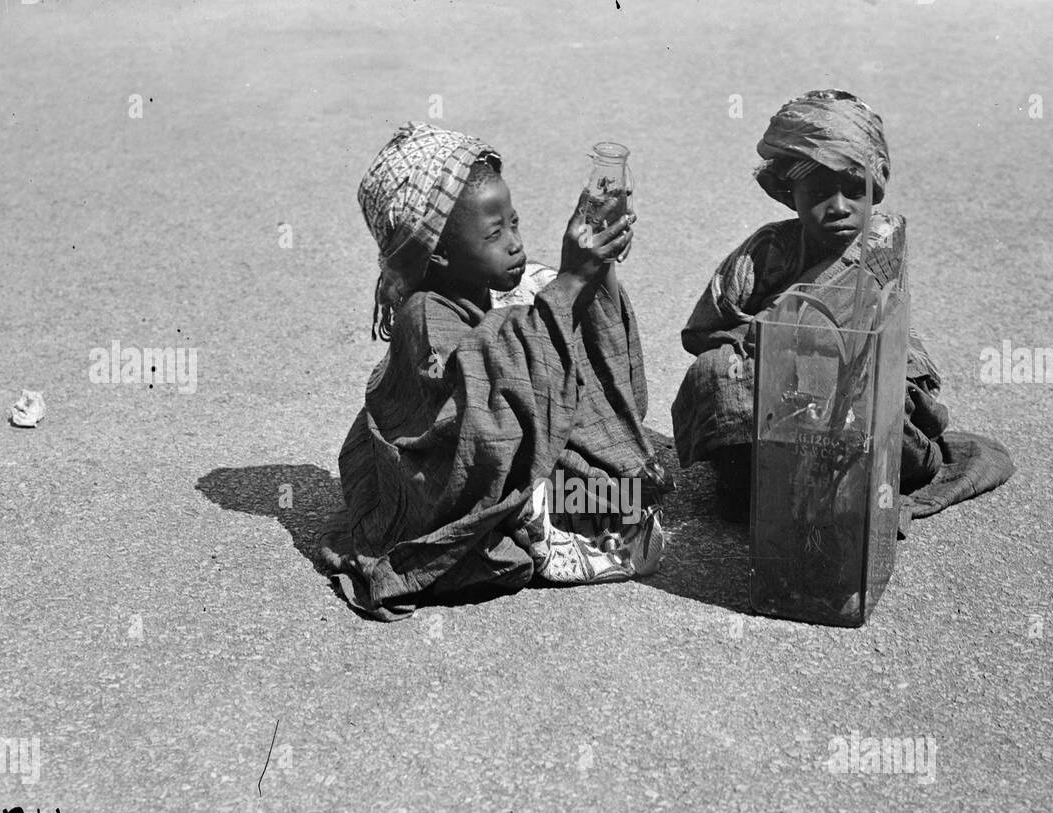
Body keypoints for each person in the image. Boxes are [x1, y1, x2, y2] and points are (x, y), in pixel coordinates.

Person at [319, 123, 667, 621]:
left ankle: (581, 517)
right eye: (494, 233)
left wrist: (597, 266)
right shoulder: (425, 315)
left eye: (515, 224)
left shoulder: (501, 287)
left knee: (612, 483)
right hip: (450, 485)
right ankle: (558, 531)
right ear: (436, 251)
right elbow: (472, 426)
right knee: (591, 504)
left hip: (508, 459)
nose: (515, 244)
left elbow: (582, 353)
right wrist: (571, 282)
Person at [671, 90, 1013, 523]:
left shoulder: (880, 244)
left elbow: (881, 332)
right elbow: (706, 327)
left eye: (854, 190)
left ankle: (850, 476)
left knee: (877, 400)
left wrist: (808, 340)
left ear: (874, 190)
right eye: (818, 191)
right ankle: (753, 483)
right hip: (775, 381)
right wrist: (771, 342)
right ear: (789, 191)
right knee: (714, 373)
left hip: (856, 376)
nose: (838, 208)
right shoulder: (769, 248)